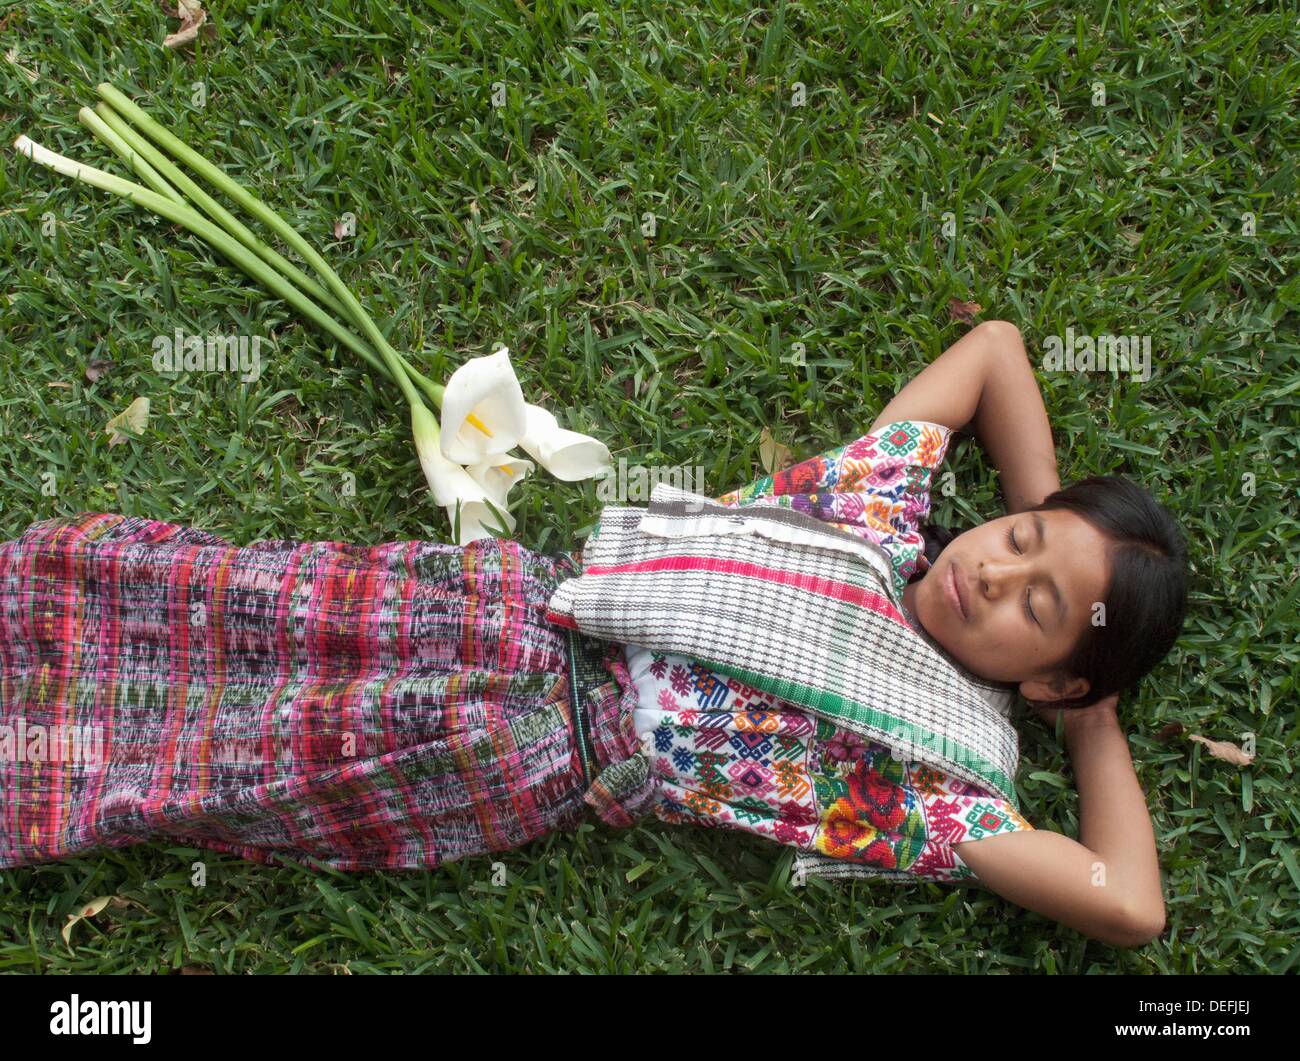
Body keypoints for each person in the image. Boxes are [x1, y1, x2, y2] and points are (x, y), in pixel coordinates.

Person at [0, 321, 1186, 947]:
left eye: (1035, 606)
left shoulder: (940, 781)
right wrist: (1067, 524)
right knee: (233, 597)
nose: (993, 569)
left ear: (1052, 675)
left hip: (520, 743)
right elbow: (995, 354)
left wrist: (1090, 722)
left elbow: (1127, 904)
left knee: (250, 751)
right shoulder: (869, 518)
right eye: (1018, 535)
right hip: (504, 604)